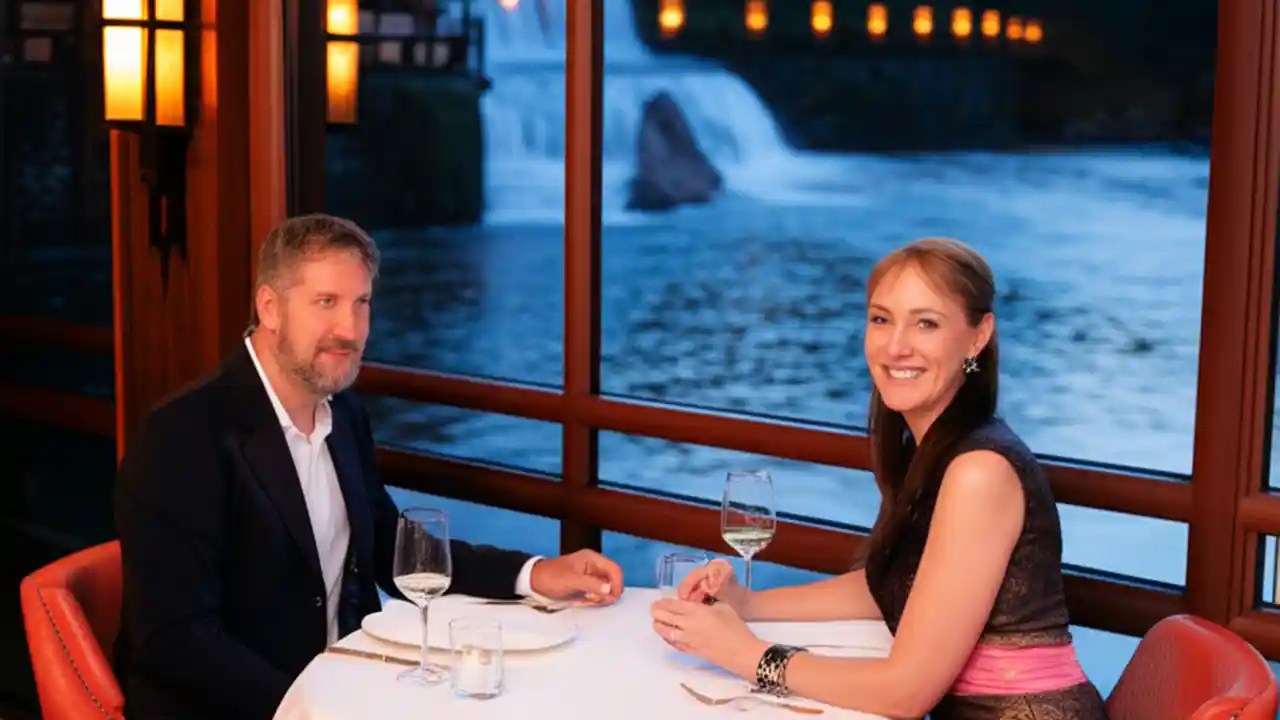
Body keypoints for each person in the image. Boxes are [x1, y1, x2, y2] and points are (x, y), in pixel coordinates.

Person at [114, 214, 624, 719]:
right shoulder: (181, 437)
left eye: (361, 304)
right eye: (326, 303)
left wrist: (534, 574)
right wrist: (313, 708)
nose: (350, 329)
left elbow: (386, 545)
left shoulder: (343, 411)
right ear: (269, 307)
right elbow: (178, 643)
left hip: (346, 687)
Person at [649, 237, 1108, 719]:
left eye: (926, 323)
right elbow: (890, 585)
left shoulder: (980, 472)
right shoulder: (936, 450)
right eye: (881, 319)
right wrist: (749, 604)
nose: (895, 346)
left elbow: (905, 694)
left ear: (978, 336)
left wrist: (744, 654)